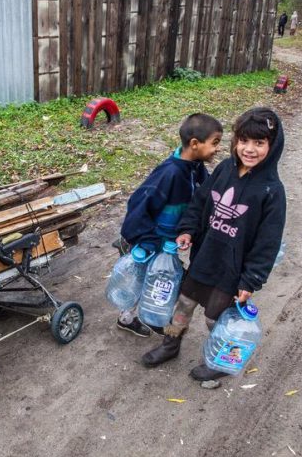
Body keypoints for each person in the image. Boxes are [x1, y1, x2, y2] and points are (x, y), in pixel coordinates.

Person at [141, 107, 286, 384]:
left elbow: (268, 243)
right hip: (204, 258)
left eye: (259, 143)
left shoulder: (272, 192)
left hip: (231, 272)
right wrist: (187, 229)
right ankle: (170, 345)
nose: (249, 149)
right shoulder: (223, 169)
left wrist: (251, 280)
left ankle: (220, 359)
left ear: (273, 145)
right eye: (244, 141)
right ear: (236, 141)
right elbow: (199, 202)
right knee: (182, 306)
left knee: (214, 320)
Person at [113, 114, 224, 337]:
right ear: (195, 144)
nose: (217, 149)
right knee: (151, 279)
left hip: (169, 241)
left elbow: (206, 192)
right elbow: (138, 204)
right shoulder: (170, 173)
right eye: (215, 143)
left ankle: (141, 315)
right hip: (155, 242)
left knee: (155, 279)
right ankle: (134, 317)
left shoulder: (194, 166)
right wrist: (147, 240)